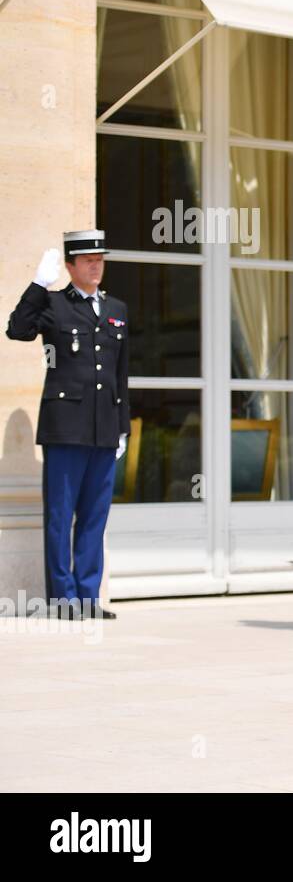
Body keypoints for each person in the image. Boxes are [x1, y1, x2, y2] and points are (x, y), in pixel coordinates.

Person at [6, 230, 129, 619]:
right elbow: (17, 329)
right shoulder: (54, 304)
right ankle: (63, 600)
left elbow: (120, 373)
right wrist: (38, 284)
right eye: (88, 260)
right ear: (71, 265)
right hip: (65, 427)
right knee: (62, 515)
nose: (96, 265)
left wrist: (122, 424)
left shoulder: (117, 309)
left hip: (104, 427)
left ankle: (89, 598)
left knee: (95, 515)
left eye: (100, 259)